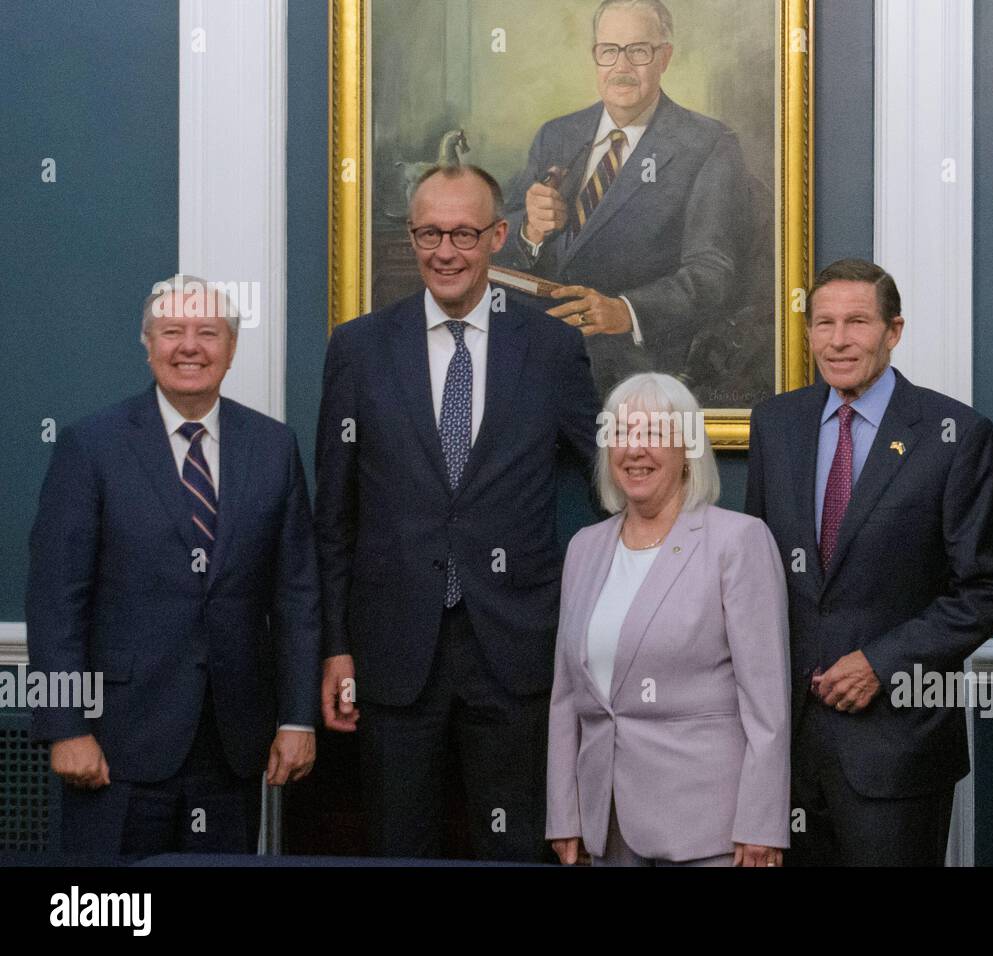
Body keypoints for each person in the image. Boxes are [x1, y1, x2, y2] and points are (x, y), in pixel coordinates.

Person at [316, 164, 600, 861]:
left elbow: (610, 475)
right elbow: (333, 515)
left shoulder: (551, 348)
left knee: (512, 847)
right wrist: (334, 646)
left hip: (514, 646)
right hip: (393, 649)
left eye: (464, 234)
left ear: (498, 236)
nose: (445, 251)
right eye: (429, 233)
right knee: (398, 844)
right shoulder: (358, 349)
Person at [26, 276, 320, 855]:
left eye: (208, 332)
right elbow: (55, 599)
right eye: (172, 332)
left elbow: (297, 595)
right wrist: (65, 727)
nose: (190, 347)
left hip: (233, 748)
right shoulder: (91, 447)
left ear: (232, 349)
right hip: (115, 746)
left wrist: (297, 719)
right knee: (110, 918)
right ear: (147, 342)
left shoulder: (273, 448)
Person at [745, 258, 993, 865]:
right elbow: (757, 576)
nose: (838, 340)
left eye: (857, 322)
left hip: (897, 750)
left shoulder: (957, 434)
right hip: (784, 752)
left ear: (893, 331)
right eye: (823, 323)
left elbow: (990, 587)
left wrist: (881, 662)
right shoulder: (776, 424)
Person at [547, 373, 790, 866]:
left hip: (711, 830)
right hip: (606, 828)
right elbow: (566, 697)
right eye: (622, 433)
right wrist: (564, 813)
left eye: (655, 434)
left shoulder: (737, 541)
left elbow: (767, 703)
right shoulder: (585, 549)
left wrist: (761, 823)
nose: (636, 450)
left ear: (689, 452)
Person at [497, 0, 753, 394]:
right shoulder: (557, 134)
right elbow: (497, 243)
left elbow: (713, 274)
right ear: (595, 57)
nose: (622, 67)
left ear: (664, 57)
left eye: (638, 50)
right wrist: (529, 229)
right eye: (609, 51)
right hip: (535, 366)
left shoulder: (708, 144)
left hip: (639, 375)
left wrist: (626, 310)